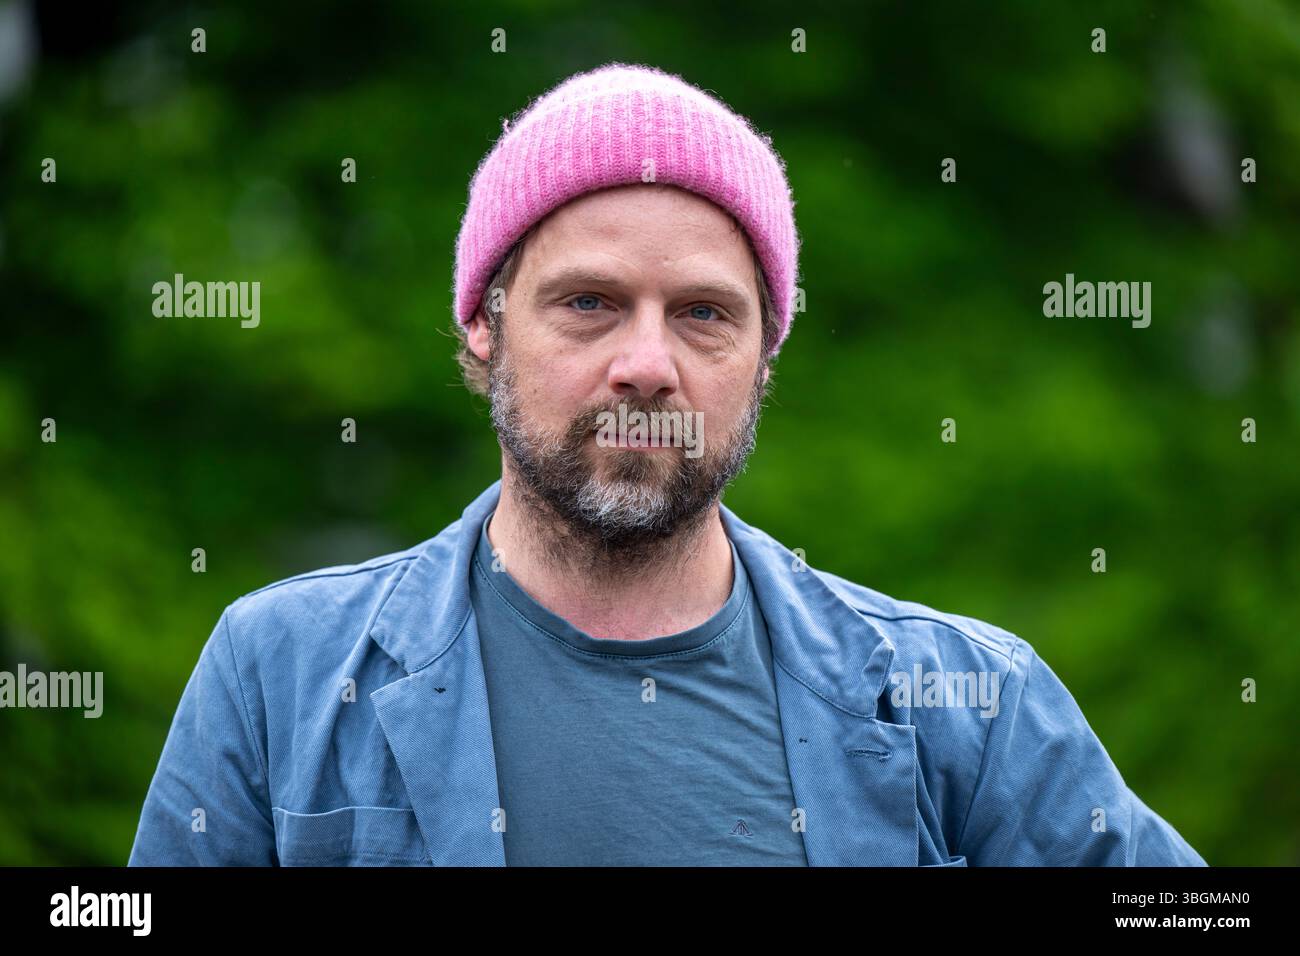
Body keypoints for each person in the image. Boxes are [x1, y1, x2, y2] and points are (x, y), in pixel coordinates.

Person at [128, 62, 1206, 867]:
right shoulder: (282, 674)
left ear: (761, 358)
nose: (646, 366)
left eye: (702, 314)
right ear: (483, 328)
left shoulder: (967, 705)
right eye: (588, 302)